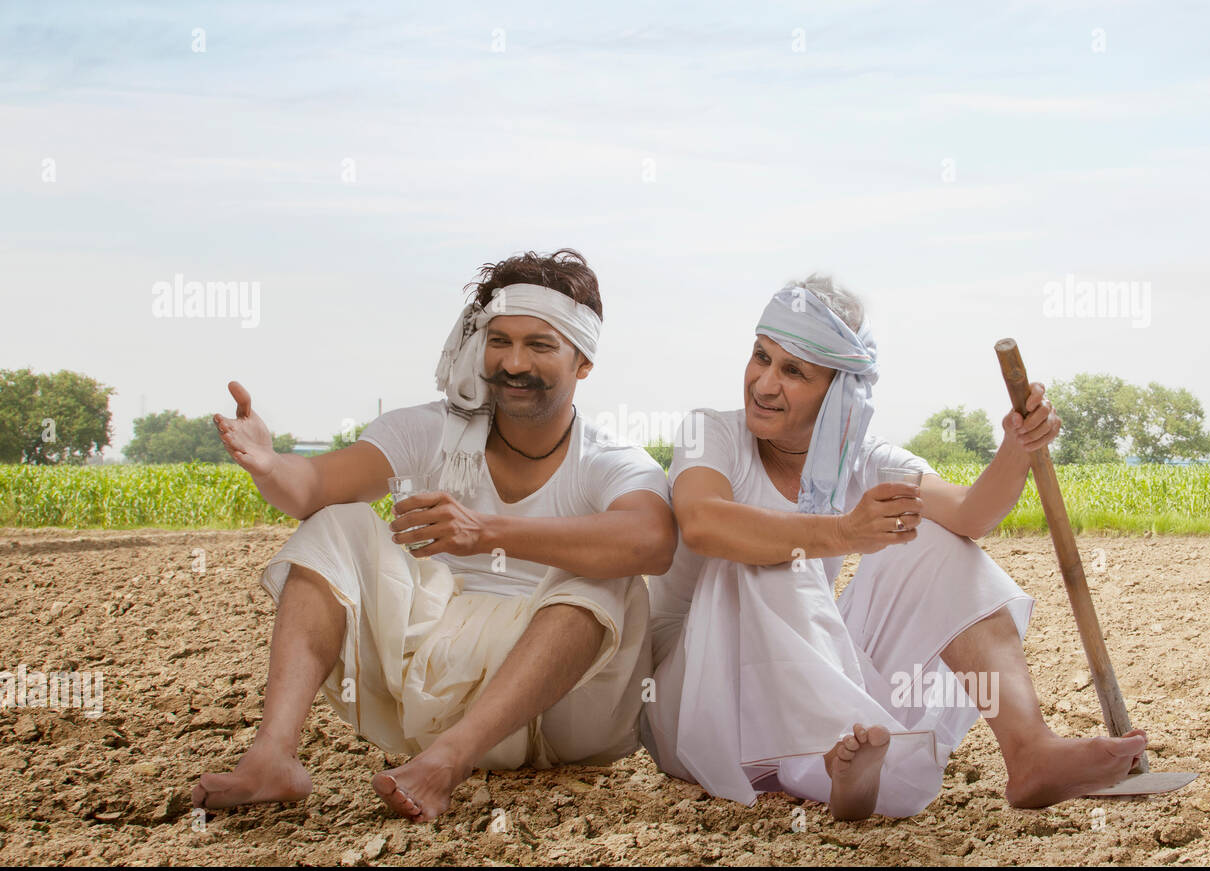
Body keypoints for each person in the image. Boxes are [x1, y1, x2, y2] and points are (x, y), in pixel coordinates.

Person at [192, 248, 675, 822]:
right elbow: (315, 486)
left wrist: (488, 533)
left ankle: (446, 764)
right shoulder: (427, 431)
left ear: (584, 362)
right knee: (336, 522)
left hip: (565, 712)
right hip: (432, 686)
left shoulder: (613, 459)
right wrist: (272, 466)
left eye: (539, 345)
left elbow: (651, 540)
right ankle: (272, 757)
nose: (513, 363)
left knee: (607, 571)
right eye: (500, 341)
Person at [642, 275, 1147, 820]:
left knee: (930, 533)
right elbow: (703, 524)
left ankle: (1027, 750)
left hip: (801, 674)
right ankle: (828, 765)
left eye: (793, 371)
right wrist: (840, 533)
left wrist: (1016, 448)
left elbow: (969, 516)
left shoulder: (857, 455)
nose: (764, 383)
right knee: (769, 557)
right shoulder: (710, 431)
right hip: (695, 700)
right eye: (761, 357)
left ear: (839, 391)